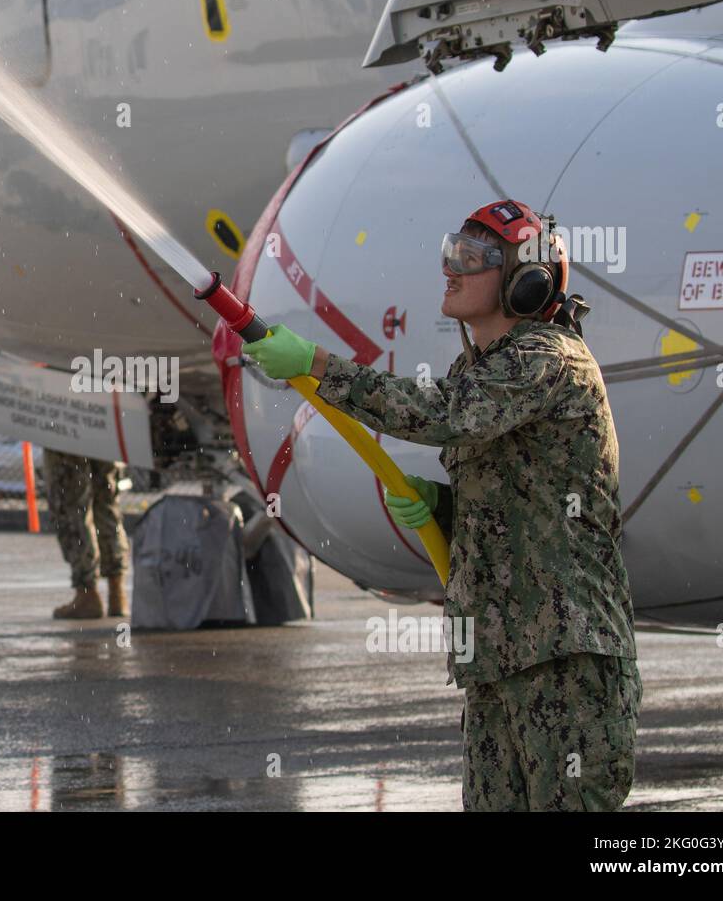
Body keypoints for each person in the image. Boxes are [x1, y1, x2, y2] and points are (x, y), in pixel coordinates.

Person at [243, 199, 639, 811]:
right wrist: (449, 507)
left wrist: (316, 364)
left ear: (524, 281)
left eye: (474, 259)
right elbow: (523, 498)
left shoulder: (549, 359)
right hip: (495, 656)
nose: (452, 270)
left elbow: (443, 413)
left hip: (564, 659)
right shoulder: (483, 367)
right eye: (452, 251)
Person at [43, 448, 130, 619]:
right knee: (107, 500)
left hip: (67, 433)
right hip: (105, 430)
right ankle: (117, 592)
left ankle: (87, 592)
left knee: (71, 502)